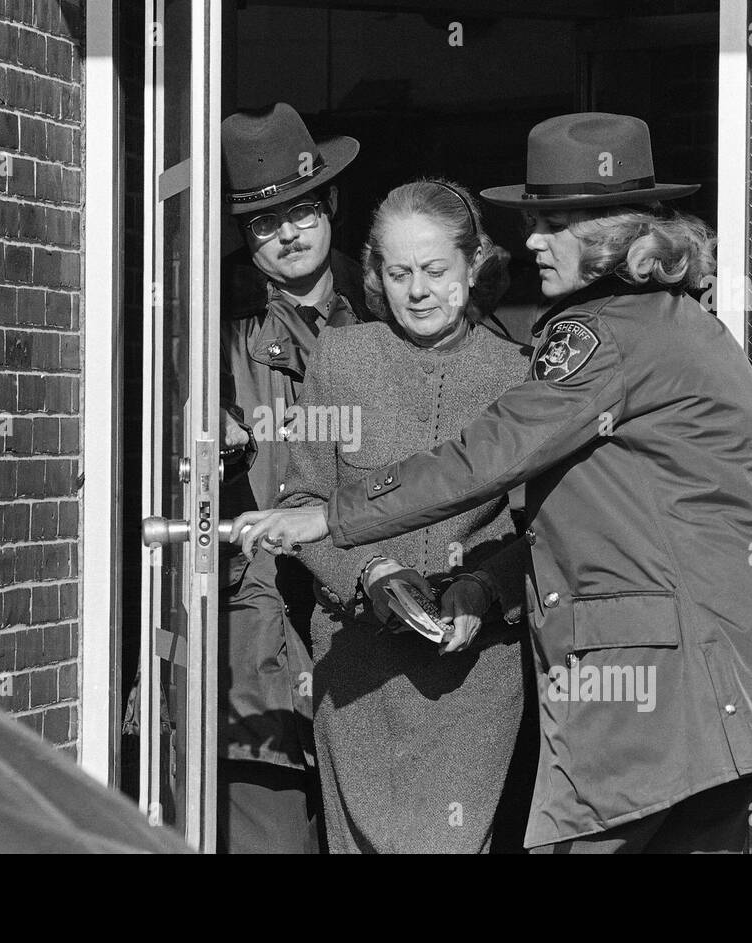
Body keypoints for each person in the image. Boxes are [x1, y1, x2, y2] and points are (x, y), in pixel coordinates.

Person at [233, 112, 752, 853]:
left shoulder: (597, 338)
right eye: (399, 272)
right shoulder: (676, 322)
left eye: (547, 224)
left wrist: (334, 518)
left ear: (606, 234)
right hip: (715, 694)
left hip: (655, 695)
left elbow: (484, 457)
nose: (530, 242)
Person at [277, 178, 530, 853]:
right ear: (375, 273)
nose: (417, 290)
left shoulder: (521, 376)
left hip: (474, 679)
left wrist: (485, 589)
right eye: (398, 272)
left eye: (435, 269)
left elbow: (541, 531)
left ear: (474, 264)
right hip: (359, 679)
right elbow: (304, 500)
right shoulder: (341, 358)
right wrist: (368, 569)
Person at [214, 102, 372, 853]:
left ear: (331, 203)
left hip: (366, 623)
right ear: (243, 240)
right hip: (262, 629)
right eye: (264, 222)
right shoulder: (216, 332)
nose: (289, 233)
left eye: (302, 209)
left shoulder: (388, 307)